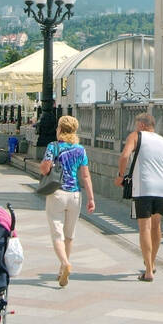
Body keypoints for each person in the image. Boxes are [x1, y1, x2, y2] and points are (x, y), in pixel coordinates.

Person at [39, 115, 95, 287]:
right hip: (75, 195)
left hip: (57, 193)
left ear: (60, 129)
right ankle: (62, 270)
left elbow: (45, 168)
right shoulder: (80, 150)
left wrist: (45, 166)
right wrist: (91, 198)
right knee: (69, 236)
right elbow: (85, 176)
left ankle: (64, 263)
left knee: (57, 234)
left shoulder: (53, 146)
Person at [116, 112, 163, 281]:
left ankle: (147, 271)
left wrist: (120, 175)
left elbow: (125, 155)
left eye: (136, 124)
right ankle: (152, 263)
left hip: (144, 186)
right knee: (156, 226)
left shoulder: (136, 136)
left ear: (141, 125)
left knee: (144, 228)